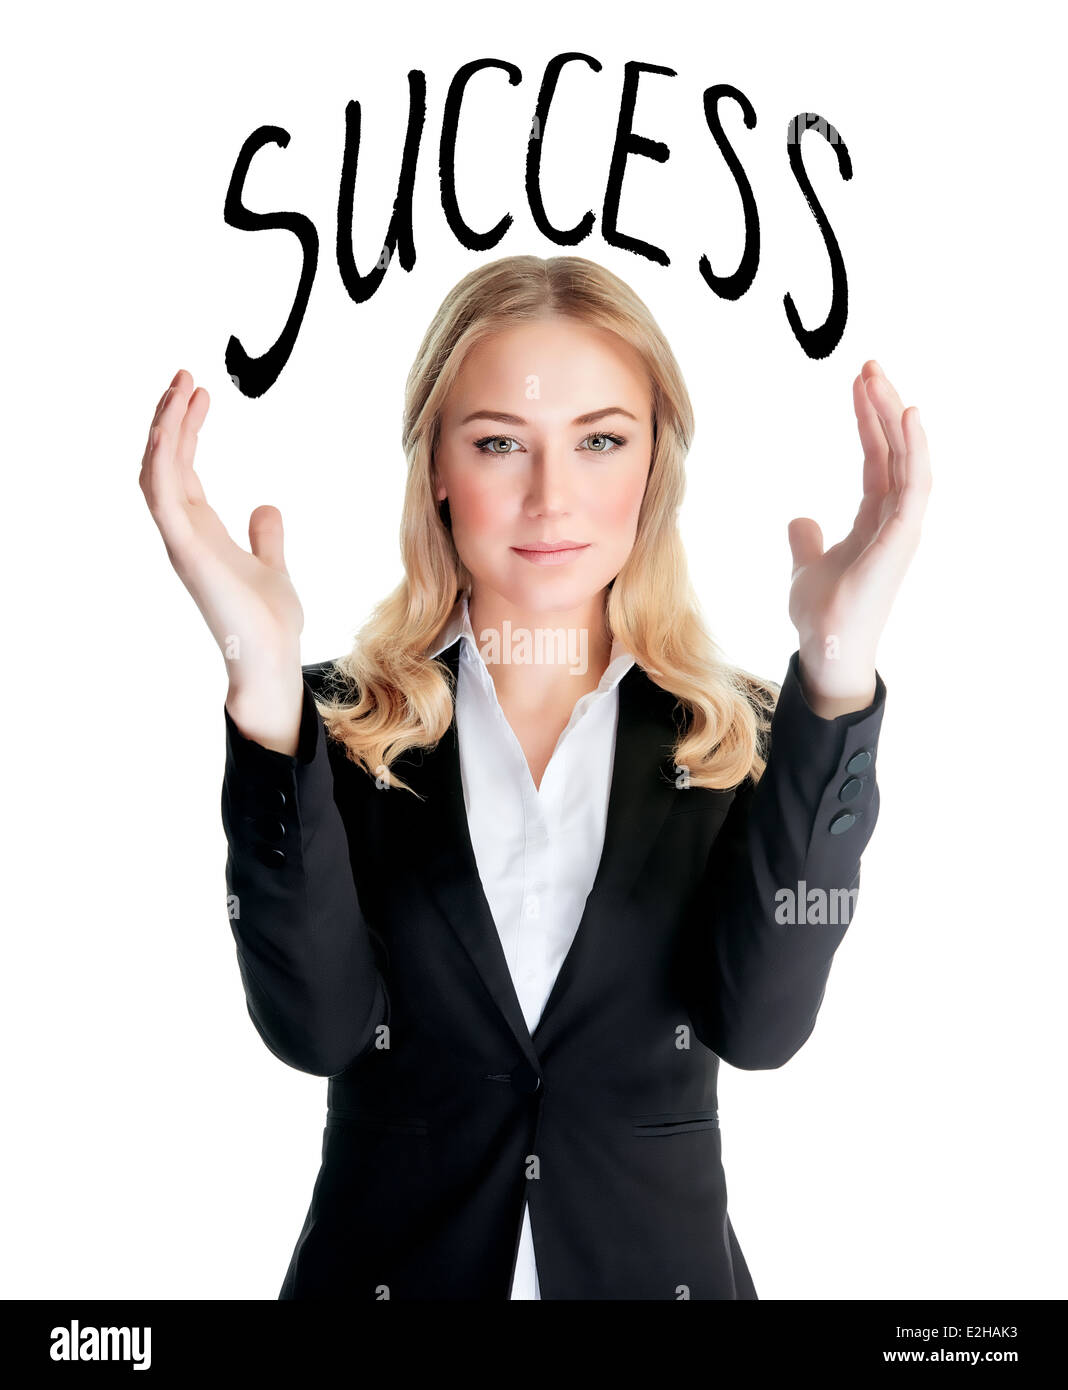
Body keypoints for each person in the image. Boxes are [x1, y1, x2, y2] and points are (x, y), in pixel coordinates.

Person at [139, 254, 931, 1299]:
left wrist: (837, 665)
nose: (553, 497)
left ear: (653, 466)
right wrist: (261, 679)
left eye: (601, 440)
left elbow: (764, 1029)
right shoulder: (330, 725)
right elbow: (316, 1029)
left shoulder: (737, 735)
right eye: (500, 443)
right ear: (437, 467)